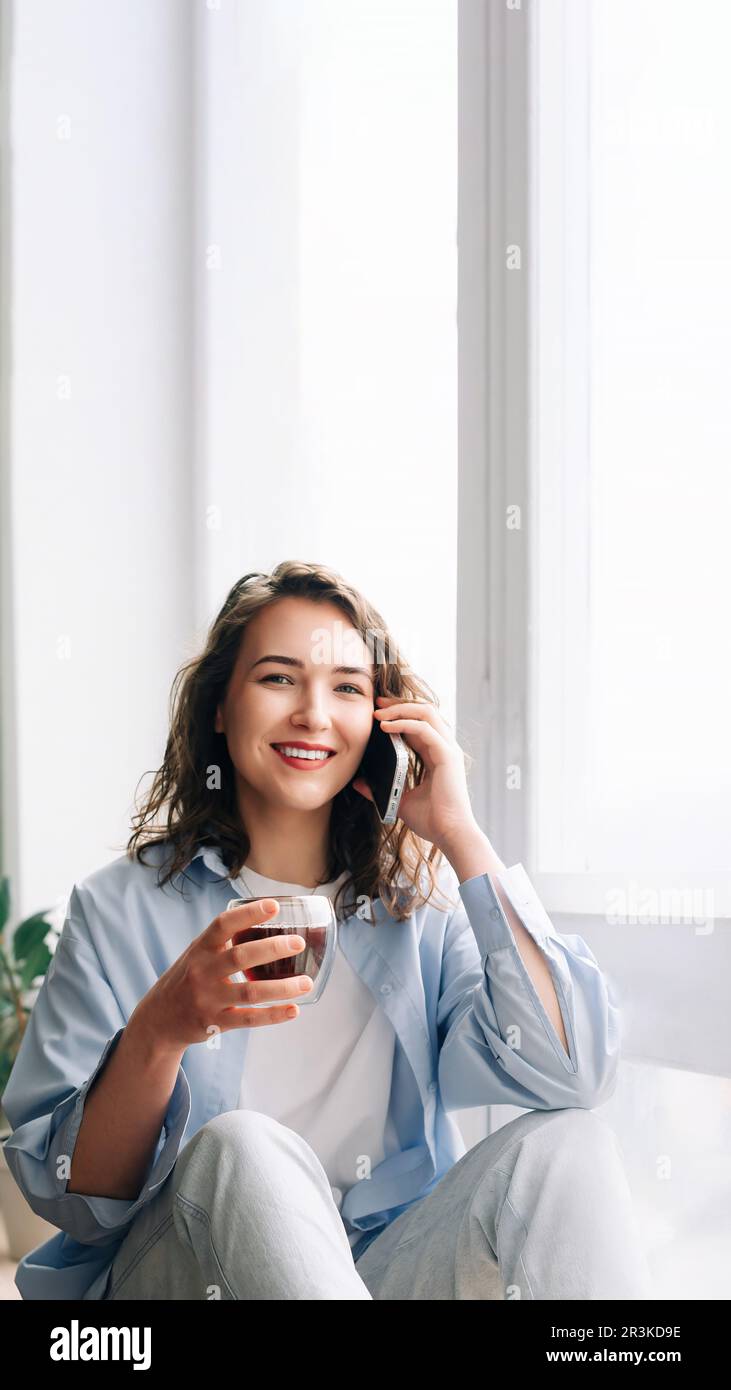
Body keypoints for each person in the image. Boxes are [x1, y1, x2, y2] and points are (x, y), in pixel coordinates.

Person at [1, 561, 653, 1300]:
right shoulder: (118, 908)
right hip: (187, 1274)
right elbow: (71, 1195)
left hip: (371, 1273)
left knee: (566, 1143)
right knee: (244, 1146)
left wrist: (461, 835)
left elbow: (571, 1074)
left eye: (346, 687)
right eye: (278, 678)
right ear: (220, 705)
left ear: (380, 720)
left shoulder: (422, 908)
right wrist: (162, 1028)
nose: (313, 714)